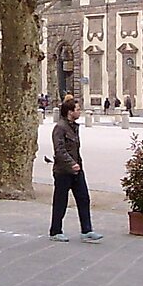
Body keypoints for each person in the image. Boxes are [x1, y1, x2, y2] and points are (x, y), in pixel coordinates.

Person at [49, 98, 102, 243]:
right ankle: (55, 231)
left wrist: (78, 165)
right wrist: (71, 164)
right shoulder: (60, 128)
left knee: (84, 198)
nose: (80, 112)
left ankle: (87, 230)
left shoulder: (74, 127)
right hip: (63, 171)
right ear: (70, 112)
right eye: (77, 109)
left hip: (77, 170)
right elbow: (59, 150)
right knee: (61, 201)